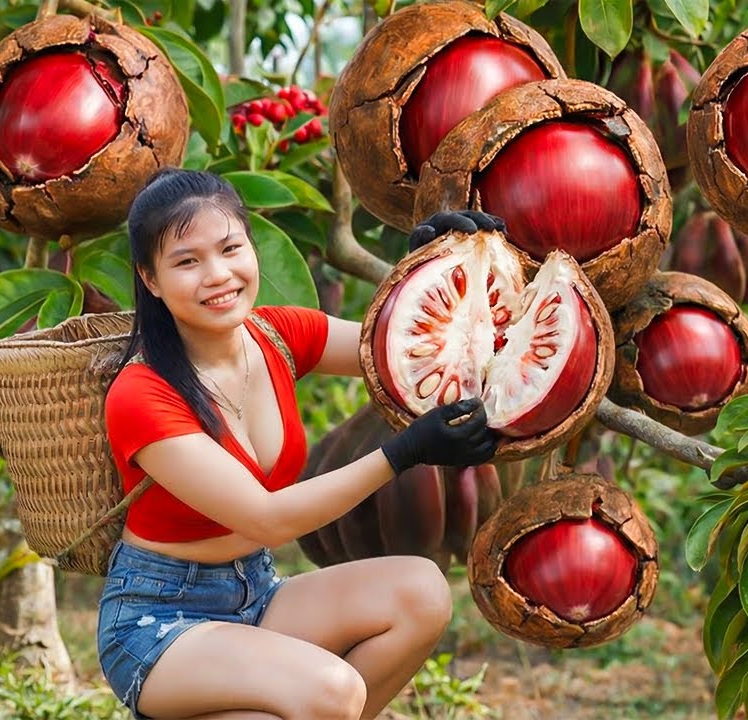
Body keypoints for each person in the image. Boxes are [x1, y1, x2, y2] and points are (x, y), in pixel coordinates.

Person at [97, 167, 504, 720]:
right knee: (329, 691)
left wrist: (434, 268)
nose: (217, 275)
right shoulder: (141, 392)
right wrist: (403, 453)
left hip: (258, 593)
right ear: (150, 279)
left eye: (229, 248)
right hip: (159, 622)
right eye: (187, 261)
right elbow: (265, 519)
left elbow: (403, 345)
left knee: (421, 592)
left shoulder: (277, 336)